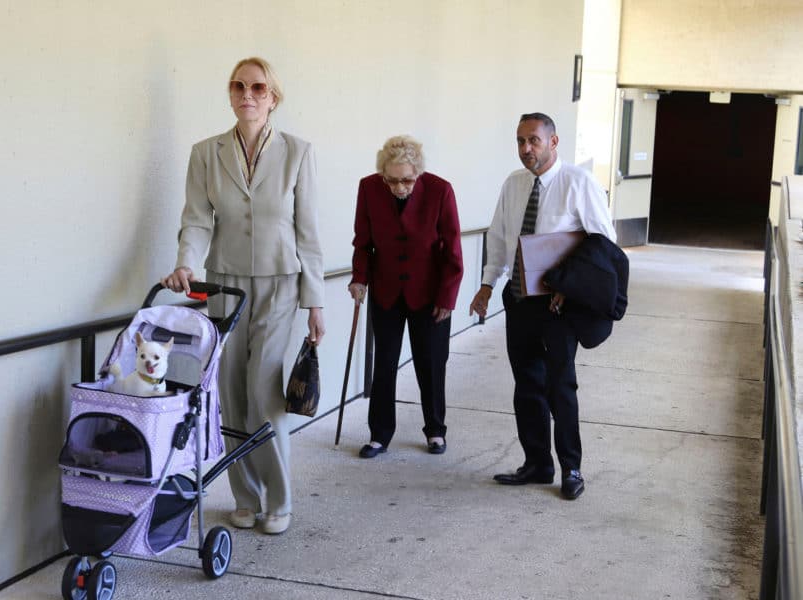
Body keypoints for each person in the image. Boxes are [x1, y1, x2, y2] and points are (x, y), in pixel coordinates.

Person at [161, 57, 325, 534]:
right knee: (230, 393)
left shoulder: (298, 152)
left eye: (258, 87)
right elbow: (196, 218)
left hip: (280, 283)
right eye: (238, 86)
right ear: (230, 94)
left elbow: (309, 233)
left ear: (273, 97)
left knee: (262, 390)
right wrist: (185, 263)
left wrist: (316, 302)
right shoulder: (205, 153)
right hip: (225, 284)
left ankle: (279, 498)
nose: (247, 94)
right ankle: (245, 497)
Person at [468, 113, 616, 500]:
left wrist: (572, 284)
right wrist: (487, 285)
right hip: (519, 301)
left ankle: (571, 468)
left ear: (553, 142)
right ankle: (537, 463)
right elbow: (500, 238)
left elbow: (603, 243)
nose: (526, 149)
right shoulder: (514, 184)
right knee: (527, 386)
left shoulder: (578, 183)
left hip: (558, 306)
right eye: (520, 141)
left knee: (560, 386)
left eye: (533, 140)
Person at [349, 135, 463, 458]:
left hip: (430, 293)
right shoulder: (369, 188)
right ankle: (380, 434)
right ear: (382, 174)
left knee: (431, 363)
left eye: (407, 180)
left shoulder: (440, 190)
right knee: (384, 364)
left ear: (419, 173)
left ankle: (435, 430)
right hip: (386, 290)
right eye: (392, 180)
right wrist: (359, 278)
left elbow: (453, 249)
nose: (399, 188)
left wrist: (448, 297)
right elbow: (363, 242)